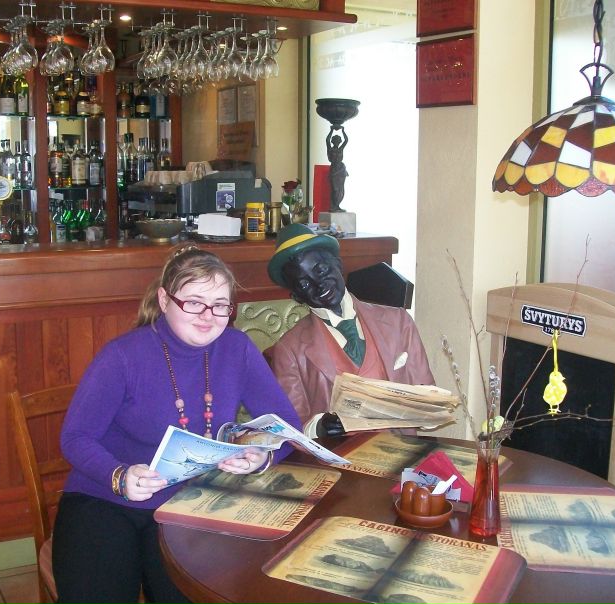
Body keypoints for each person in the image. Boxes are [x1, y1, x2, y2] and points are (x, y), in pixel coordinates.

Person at [53, 245, 302, 604]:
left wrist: (262, 455)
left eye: (220, 305)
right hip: (105, 497)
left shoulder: (237, 348)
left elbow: (286, 426)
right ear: (164, 300)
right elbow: (75, 437)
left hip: (190, 504)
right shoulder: (123, 355)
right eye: (194, 303)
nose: (208, 316)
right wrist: (118, 475)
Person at [267, 224, 434, 434]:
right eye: (304, 284)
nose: (319, 285)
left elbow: (428, 399)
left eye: (321, 270)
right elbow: (292, 426)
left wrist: (428, 412)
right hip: (339, 454)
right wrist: (318, 427)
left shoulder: (398, 322)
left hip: (399, 450)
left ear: (338, 264)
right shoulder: (289, 350)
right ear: (296, 297)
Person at [326, 125, 348, 212]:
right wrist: (331, 130)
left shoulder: (341, 149)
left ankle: (337, 206)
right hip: (334, 169)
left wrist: (343, 131)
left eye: (338, 141)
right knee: (334, 189)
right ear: (333, 141)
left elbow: (346, 140)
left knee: (340, 189)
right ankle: (333, 206)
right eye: (335, 141)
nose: (337, 143)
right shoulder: (330, 149)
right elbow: (327, 140)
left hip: (341, 169)